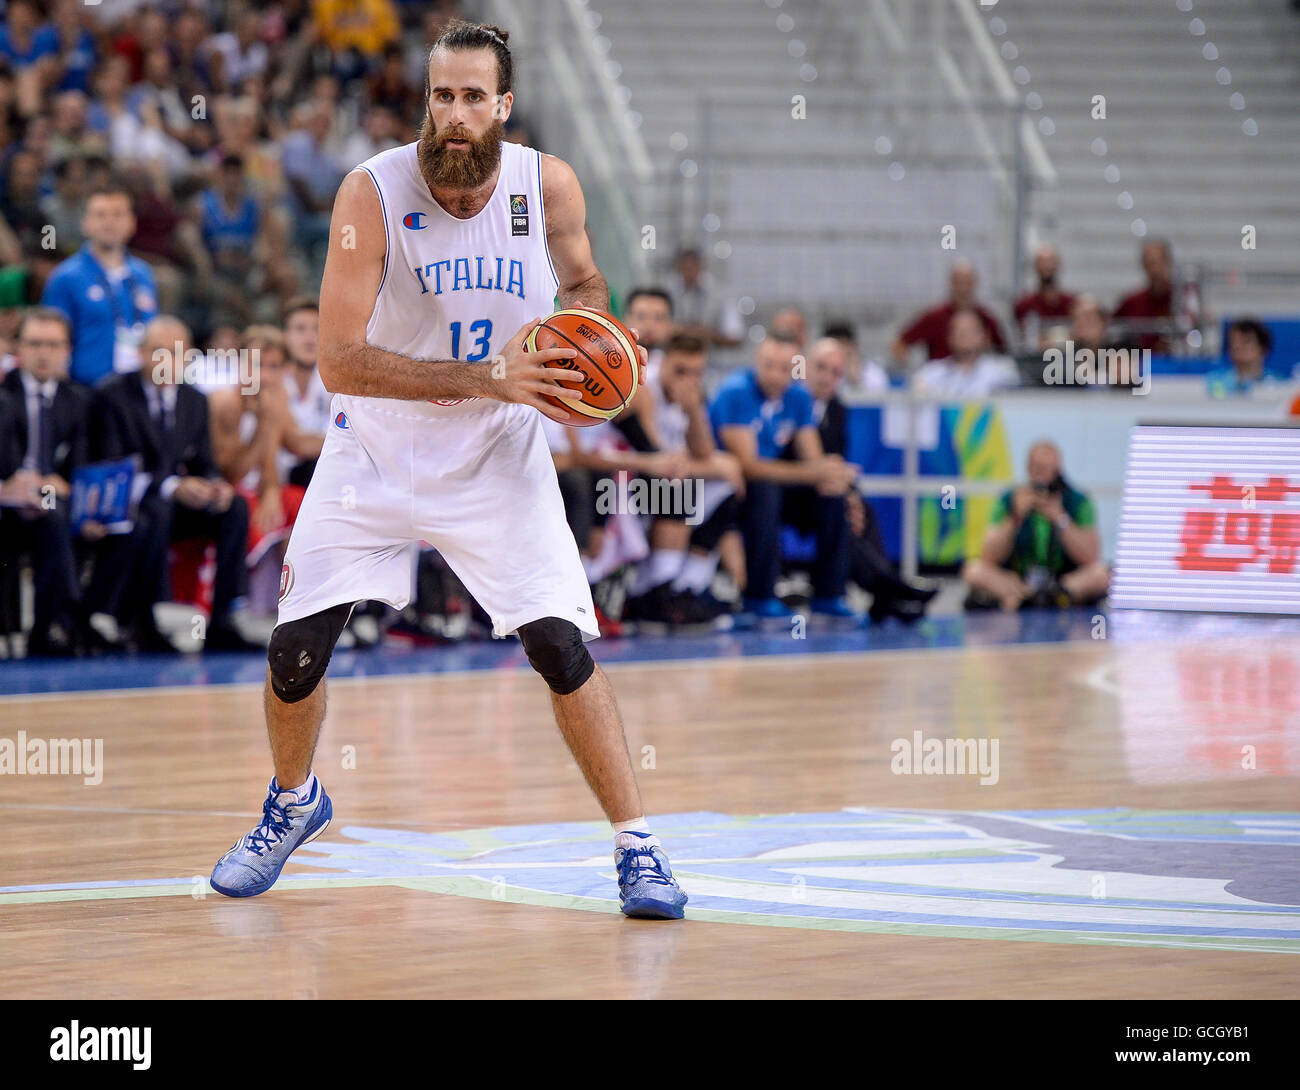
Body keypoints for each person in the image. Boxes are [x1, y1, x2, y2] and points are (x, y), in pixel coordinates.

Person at [209, 21, 687, 920]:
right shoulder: (372, 194)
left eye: (474, 97)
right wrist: (485, 375)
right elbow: (341, 361)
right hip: (375, 448)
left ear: (503, 104)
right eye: (441, 96)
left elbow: (587, 287)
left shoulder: (546, 184)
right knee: (294, 650)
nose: (456, 114)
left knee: (558, 644)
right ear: (424, 100)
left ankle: (638, 847)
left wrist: (589, 343)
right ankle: (293, 803)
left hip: (498, 451)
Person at [85, 315, 256, 652]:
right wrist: (173, 486)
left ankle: (223, 617)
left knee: (234, 506)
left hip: (177, 503)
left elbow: (204, 464)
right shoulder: (112, 395)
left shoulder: (195, 400)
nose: (167, 360)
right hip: (132, 501)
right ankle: (145, 620)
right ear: (141, 354)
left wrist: (213, 485)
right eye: (158, 351)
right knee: (157, 510)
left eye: (176, 353)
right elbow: (113, 464)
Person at [711, 328, 860, 619]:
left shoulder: (798, 398)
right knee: (764, 491)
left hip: (773, 486)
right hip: (727, 488)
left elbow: (813, 459)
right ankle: (759, 594)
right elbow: (749, 466)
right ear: (756, 361)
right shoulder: (736, 392)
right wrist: (812, 473)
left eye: (784, 369)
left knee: (833, 495)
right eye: (769, 366)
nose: (776, 376)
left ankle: (830, 594)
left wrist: (832, 475)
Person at [796, 336, 935, 622]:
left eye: (836, 373)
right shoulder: (792, 402)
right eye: (821, 368)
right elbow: (798, 462)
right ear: (804, 366)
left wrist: (851, 495)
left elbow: (836, 462)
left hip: (822, 489)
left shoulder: (837, 409)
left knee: (861, 507)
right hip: (791, 491)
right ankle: (885, 585)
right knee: (840, 506)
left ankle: (883, 593)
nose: (827, 378)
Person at [622, 331, 747, 625]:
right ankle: (656, 590)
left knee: (728, 489)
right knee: (677, 487)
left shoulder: (691, 393)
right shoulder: (644, 388)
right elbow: (662, 460)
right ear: (663, 362)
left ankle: (686, 588)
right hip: (623, 479)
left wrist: (693, 409)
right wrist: (719, 466)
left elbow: (702, 451)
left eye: (696, 373)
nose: (688, 379)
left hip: (662, 477)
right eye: (681, 370)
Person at [0, 308, 92, 655]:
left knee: (58, 515)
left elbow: (83, 468)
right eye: (35, 343)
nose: (43, 353)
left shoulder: (80, 400)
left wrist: (57, 485)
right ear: (18, 348)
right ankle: (65, 620)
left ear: (68, 350)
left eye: (53, 345)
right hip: (6, 505)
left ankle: (51, 625)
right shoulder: (4, 393)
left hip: (54, 504)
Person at [962, 440, 1109, 610]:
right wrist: (1015, 518)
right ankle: (1023, 597)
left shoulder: (1077, 501)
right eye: (1040, 469)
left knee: (1100, 574)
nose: (1045, 477)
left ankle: (1054, 597)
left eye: (1051, 469)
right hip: (1018, 581)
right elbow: (988, 556)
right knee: (974, 571)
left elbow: (1091, 557)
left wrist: (1060, 518)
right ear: (1029, 469)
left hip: (1062, 580)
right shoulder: (1009, 499)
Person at [41, 181, 159, 387]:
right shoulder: (66, 277)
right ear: (85, 223)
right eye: (101, 214)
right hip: (88, 392)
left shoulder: (143, 274)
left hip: (138, 393)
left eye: (118, 214)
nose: (109, 222)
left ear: (132, 223)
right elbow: (51, 342)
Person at [892, 260, 1008, 364]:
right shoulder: (934, 317)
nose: (963, 288)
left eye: (968, 282)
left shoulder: (986, 318)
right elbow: (900, 344)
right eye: (959, 282)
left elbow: (1002, 352)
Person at [912, 309, 1019, 398]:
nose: (963, 334)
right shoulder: (930, 374)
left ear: (984, 336)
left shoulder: (1003, 372)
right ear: (949, 337)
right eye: (957, 330)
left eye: (970, 329)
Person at [666, 247, 744, 347]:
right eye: (685, 268)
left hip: (714, 359)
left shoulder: (722, 294)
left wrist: (706, 334)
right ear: (678, 268)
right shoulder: (669, 291)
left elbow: (735, 336)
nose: (689, 273)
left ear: (702, 266)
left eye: (692, 267)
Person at [1114, 238, 1175, 353]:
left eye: (1157, 262)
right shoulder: (1132, 302)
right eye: (1149, 263)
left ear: (1168, 262)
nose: (1154, 269)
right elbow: (1113, 327)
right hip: (1140, 365)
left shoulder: (1181, 301)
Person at [1013, 243, 1075, 348]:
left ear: (1058, 265)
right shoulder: (1024, 305)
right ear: (1035, 266)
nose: (1047, 266)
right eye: (1042, 262)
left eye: (1051, 261)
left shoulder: (1072, 304)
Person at [1206, 318, 1276, 397]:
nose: (1237, 346)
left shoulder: (1277, 383)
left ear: (1262, 348)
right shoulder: (1214, 381)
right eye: (1234, 341)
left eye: (1245, 341)